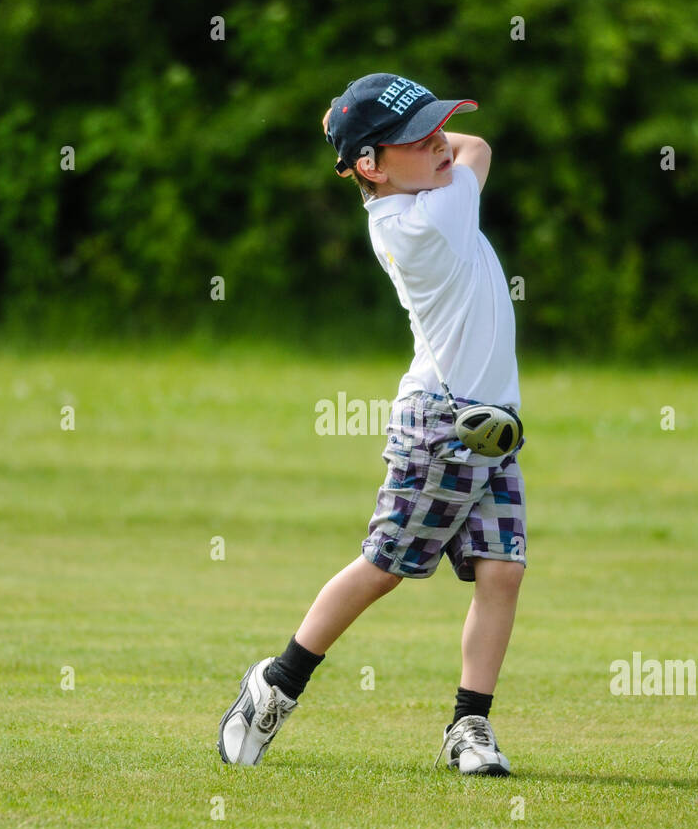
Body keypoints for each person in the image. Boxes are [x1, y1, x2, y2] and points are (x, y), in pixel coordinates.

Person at [217, 73, 526, 776]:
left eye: (434, 126)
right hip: (443, 424)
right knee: (385, 567)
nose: (440, 142)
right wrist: (354, 126)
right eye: (417, 138)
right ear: (371, 166)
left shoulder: (417, 190)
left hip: (492, 424)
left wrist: (357, 126)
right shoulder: (427, 221)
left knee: (502, 570)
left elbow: (463, 141)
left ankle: (469, 726)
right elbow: (476, 146)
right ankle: (277, 683)